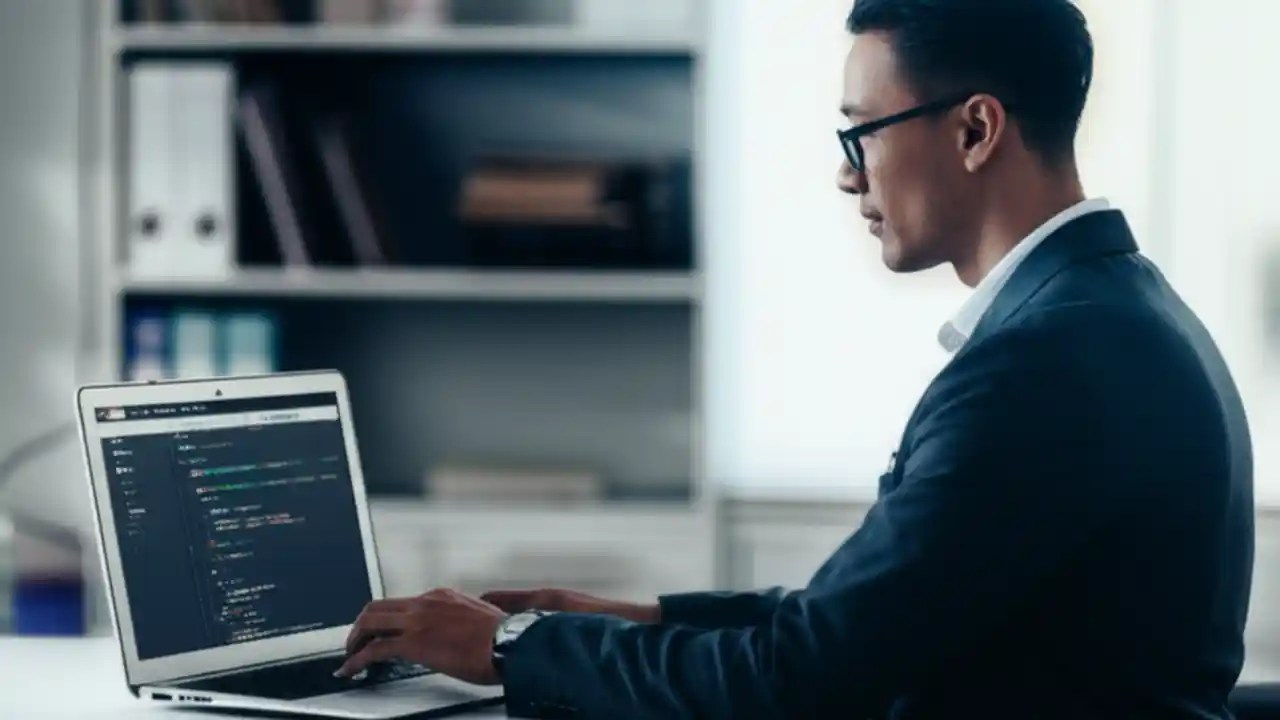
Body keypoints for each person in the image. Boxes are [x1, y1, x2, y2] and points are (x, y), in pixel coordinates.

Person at [337, 0, 1255, 717]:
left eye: (863, 133)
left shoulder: (1042, 364)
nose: (848, 174)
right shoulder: (1122, 310)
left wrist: (512, 647)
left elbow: (801, 684)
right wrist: (631, 618)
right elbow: (874, 620)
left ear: (976, 131)